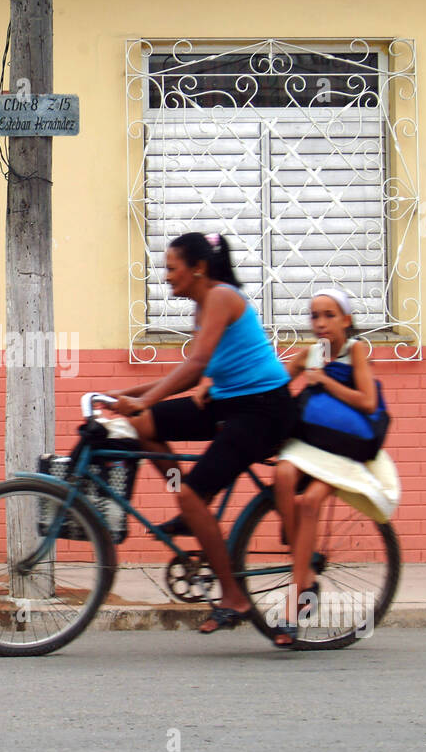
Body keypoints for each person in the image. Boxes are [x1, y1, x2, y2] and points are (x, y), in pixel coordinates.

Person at [112, 231, 296, 635]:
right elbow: (188, 376)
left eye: (171, 269)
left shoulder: (222, 297)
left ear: (198, 268)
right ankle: (190, 505)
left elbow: (195, 367)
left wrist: (143, 398)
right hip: (230, 402)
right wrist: (126, 396)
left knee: (194, 492)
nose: (165, 278)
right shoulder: (202, 307)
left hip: (264, 411)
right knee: (142, 425)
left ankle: (234, 595)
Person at [271, 287, 400, 647]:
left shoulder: (354, 350)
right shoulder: (308, 353)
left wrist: (323, 380)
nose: (321, 323)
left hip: (342, 445)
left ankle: (295, 606)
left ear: (346, 320)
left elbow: (367, 400)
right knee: (281, 474)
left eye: (329, 315)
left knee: (311, 502)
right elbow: (276, 385)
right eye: (315, 316)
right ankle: (305, 565)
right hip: (309, 441)